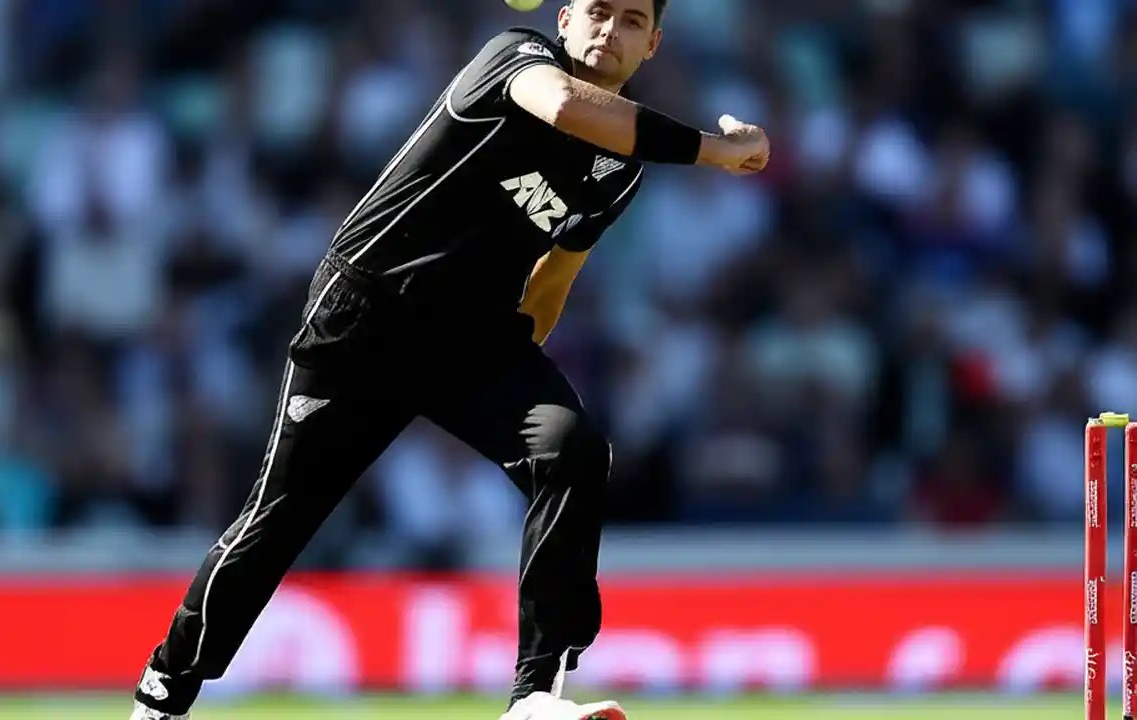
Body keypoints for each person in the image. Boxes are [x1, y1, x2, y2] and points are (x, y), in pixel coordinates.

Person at [130, 1, 769, 718]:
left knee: (570, 448)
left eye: (628, 21)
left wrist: (515, 395)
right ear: (562, 20)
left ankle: (535, 697)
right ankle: (164, 691)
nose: (606, 31)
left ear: (652, 44)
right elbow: (564, 106)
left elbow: (554, 278)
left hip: (475, 339)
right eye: (595, 11)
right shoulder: (515, 59)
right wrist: (713, 150)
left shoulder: (619, 169)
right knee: (279, 520)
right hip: (368, 314)